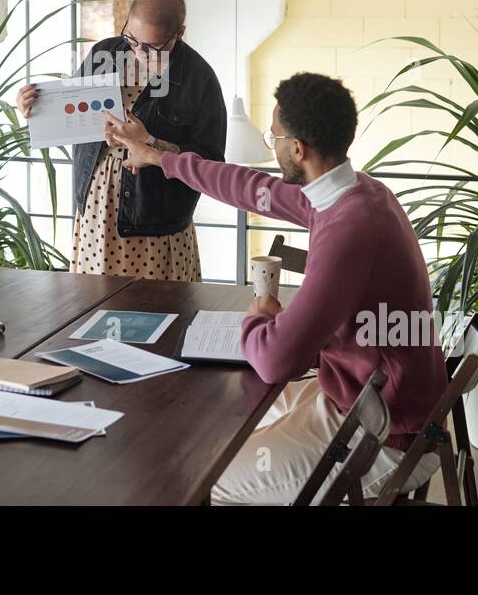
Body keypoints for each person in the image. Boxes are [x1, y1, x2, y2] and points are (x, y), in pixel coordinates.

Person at [111, 71, 448, 503]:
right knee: (223, 426)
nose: (272, 148)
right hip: (360, 394)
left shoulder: (351, 229)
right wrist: (159, 158)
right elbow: (251, 188)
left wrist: (256, 318)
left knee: (199, 477)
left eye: (274, 138)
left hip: (385, 433)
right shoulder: (356, 192)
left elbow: (274, 360)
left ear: (297, 148)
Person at [16, 0, 225, 281]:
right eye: (131, 38)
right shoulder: (105, 52)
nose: (138, 51)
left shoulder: (198, 79)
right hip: (96, 211)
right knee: (93, 310)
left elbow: (212, 164)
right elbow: (70, 112)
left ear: (178, 33)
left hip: (155, 221)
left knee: (158, 312)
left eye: (151, 47)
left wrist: (149, 142)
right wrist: (33, 109)